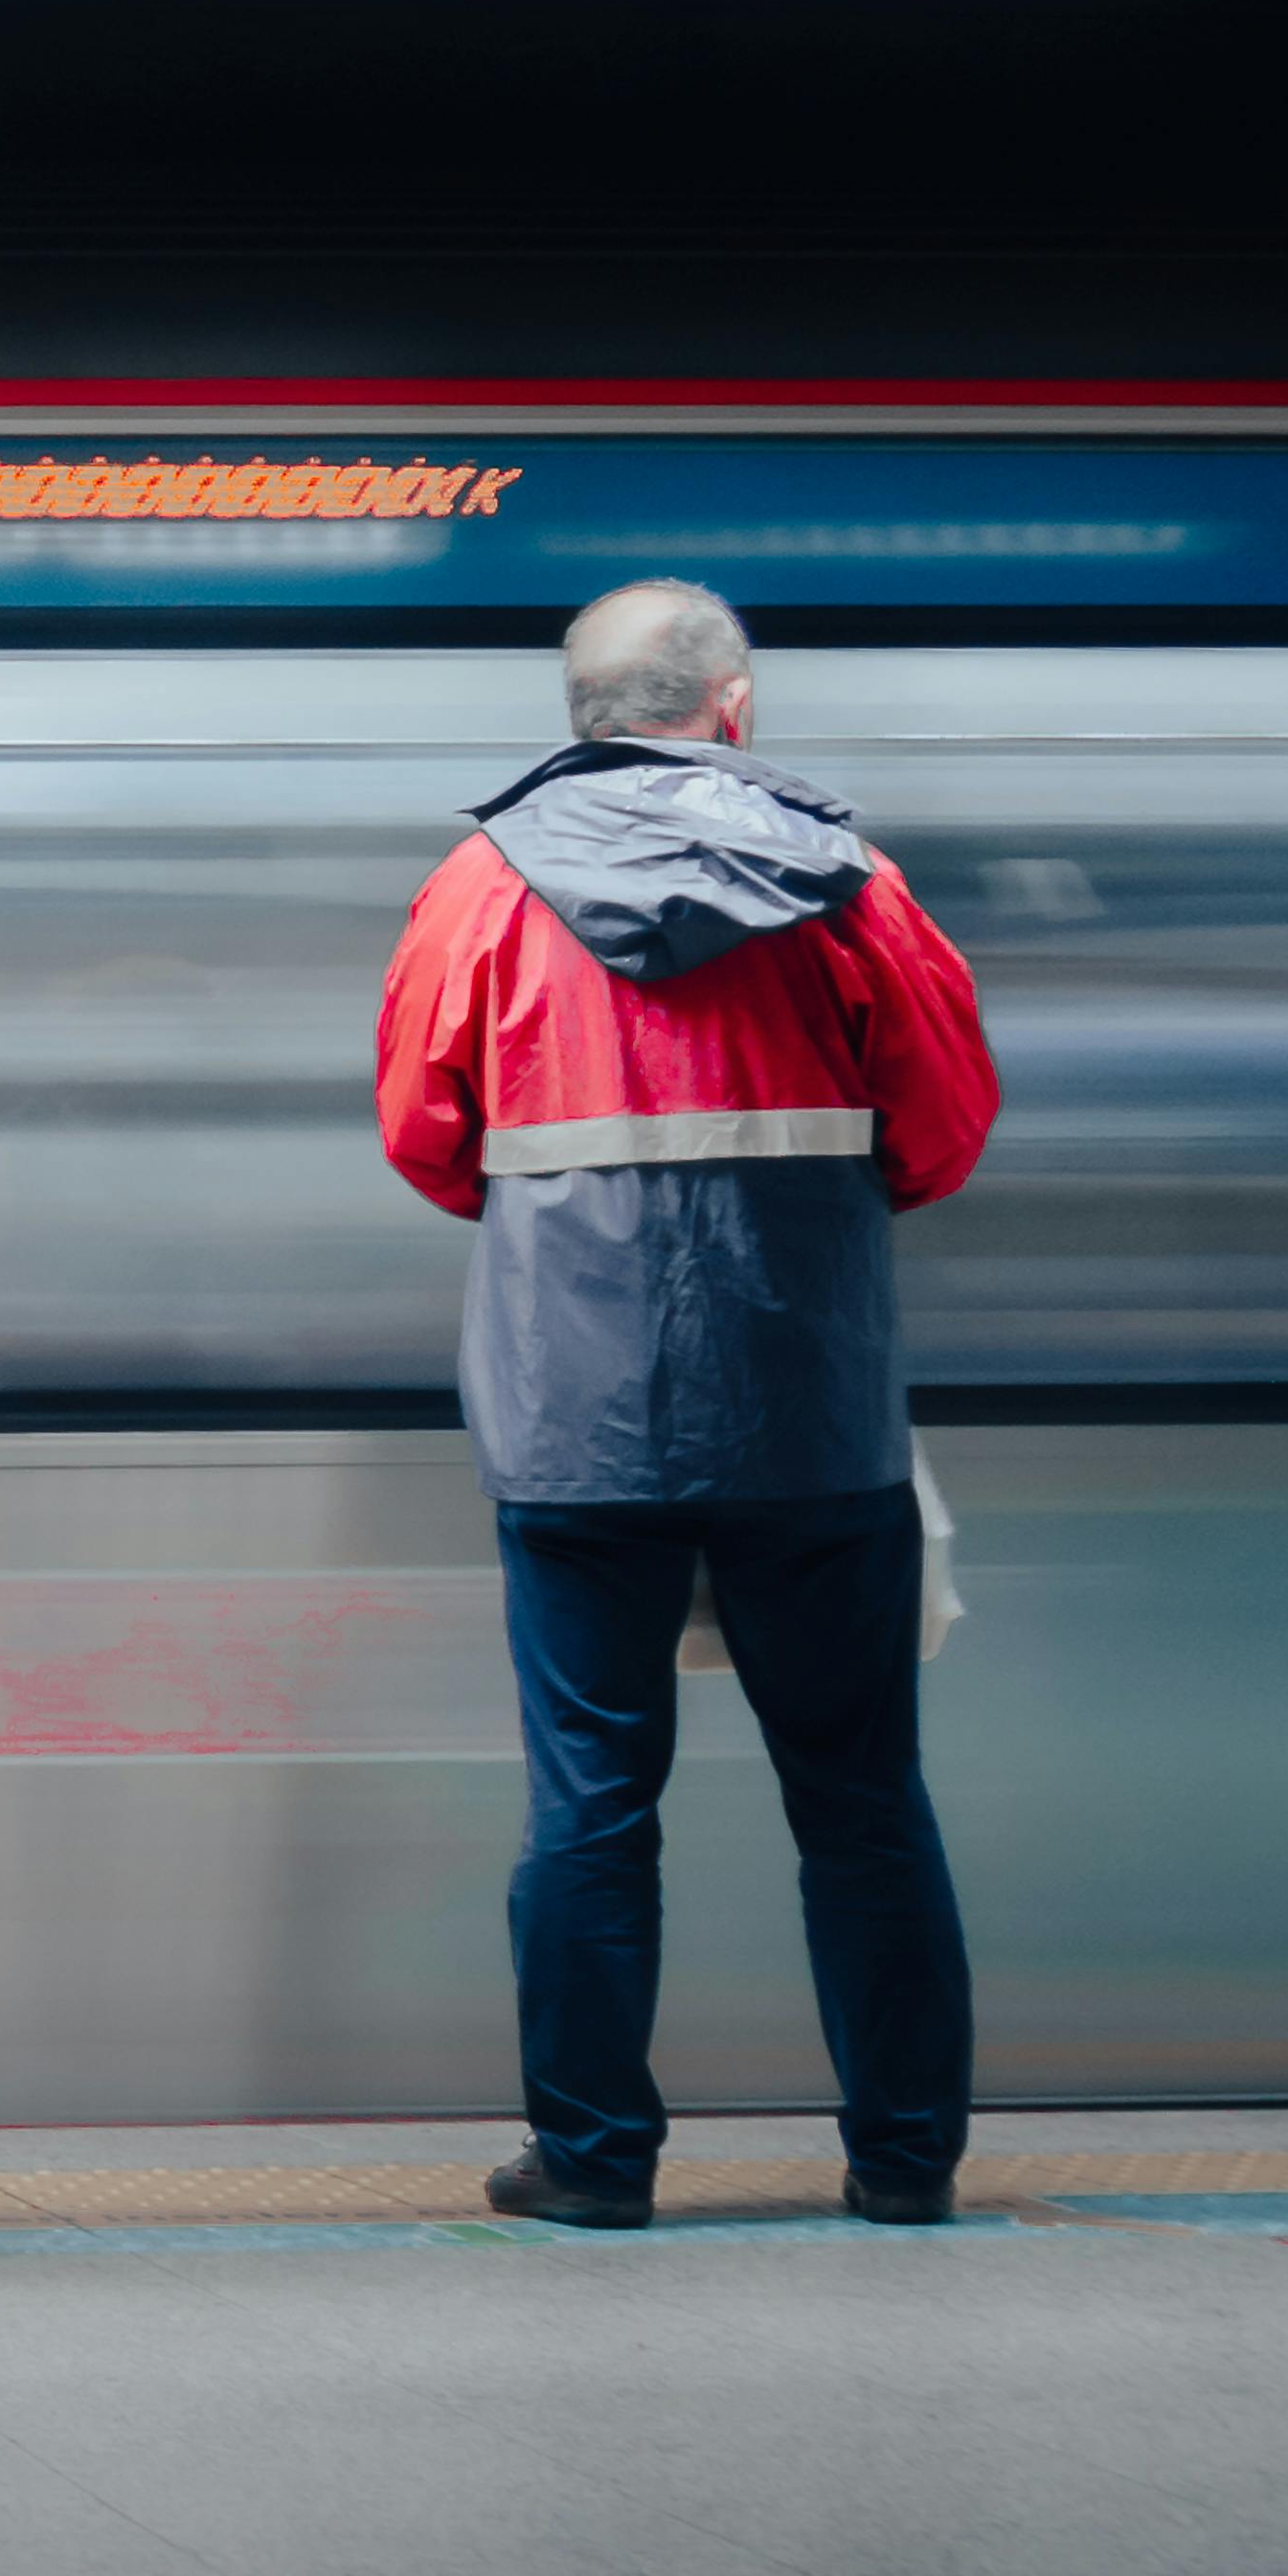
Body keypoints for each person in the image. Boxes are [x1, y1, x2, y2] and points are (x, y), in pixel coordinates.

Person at [375, 576, 998, 2233]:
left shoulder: (476, 888)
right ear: (734, 706)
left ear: (581, 714)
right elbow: (941, 1130)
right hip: (810, 1416)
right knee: (862, 1796)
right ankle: (906, 2160)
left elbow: (426, 1142)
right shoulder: (851, 881)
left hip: (572, 1420)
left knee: (589, 1798)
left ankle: (591, 2164)